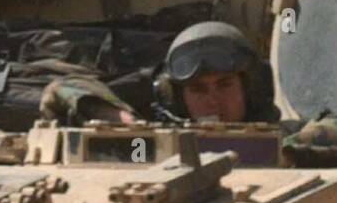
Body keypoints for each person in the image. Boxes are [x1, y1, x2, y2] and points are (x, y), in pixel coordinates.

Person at [39, 20, 279, 125]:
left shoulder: (281, 140)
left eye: (225, 85)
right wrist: (120, 119)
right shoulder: (154, 145)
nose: (213, 101)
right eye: (198, 89)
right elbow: (60, 89)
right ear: (177, 99)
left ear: (251, 88)